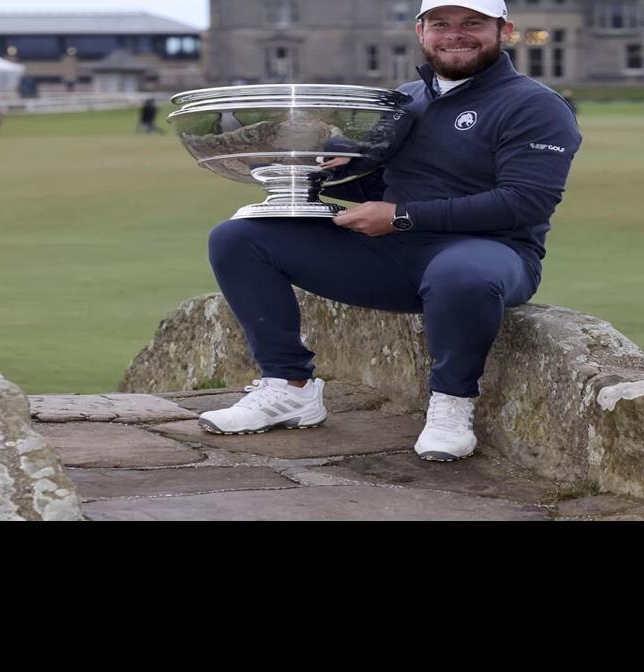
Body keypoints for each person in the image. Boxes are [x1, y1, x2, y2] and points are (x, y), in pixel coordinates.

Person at [199, 0, 582, 462]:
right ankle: (289, 388)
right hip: (392, 254)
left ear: (505, 30)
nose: (455, 34)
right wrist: (308, 168)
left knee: (459, 274)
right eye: (441, 24)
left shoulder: (537, 105)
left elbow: (525, 202)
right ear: (421, 32)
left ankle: (450, 405)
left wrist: (401, 216)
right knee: (238, 237)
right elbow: (380, 185)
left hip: (492, 254)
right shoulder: (405, 100)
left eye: (472, 24)